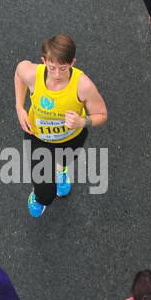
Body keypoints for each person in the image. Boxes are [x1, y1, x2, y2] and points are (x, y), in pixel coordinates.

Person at [13, 34, 109, 217]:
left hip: (71, 138)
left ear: (72, 62)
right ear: (44, 61)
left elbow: (102, 114)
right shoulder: (33, 74)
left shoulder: (83, 85)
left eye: (63, 68)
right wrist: (19, 107)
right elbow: (19, 73)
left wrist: (83, 121)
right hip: (38, 138)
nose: (57, 74)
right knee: (46, 192)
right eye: (52, 67)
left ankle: (61, 170)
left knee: (63, 161)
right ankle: (39, 196)